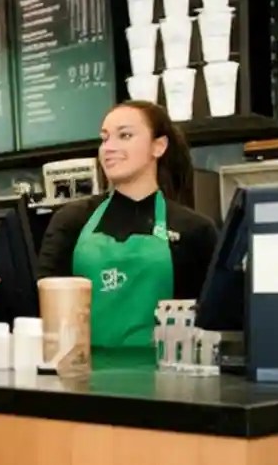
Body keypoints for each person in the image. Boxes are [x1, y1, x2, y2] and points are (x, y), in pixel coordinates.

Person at [36, 100, 217, 353]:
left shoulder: (194, 229)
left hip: (168, 384)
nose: (109, 147)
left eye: (125, 136)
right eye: (105, 138)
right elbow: (42, 306)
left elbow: (212, 319)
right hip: (83, 379)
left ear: (158, 146)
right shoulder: (72, 220)